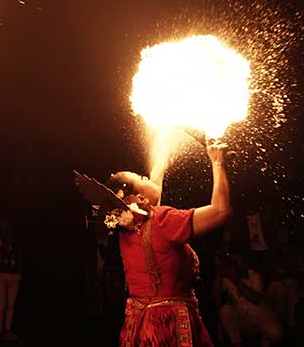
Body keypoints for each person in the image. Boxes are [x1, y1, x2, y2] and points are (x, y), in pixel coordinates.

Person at [100, 138, 233, 346]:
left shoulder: (126, 227)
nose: (148, 177)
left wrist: (163, 145)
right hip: (168, 327)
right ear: (139, 199)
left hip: (141, 327)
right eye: (142, 178)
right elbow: (221, 211)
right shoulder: (165, 221)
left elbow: (152, 198)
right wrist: (217, 162)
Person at [0, 215, 22, 341]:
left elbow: (19, 254)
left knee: (10, 304)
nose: (4, 224)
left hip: (13, 274)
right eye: (2, 222)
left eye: (6, 222)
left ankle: (7, 330)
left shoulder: (14, 237)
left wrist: (19, 273)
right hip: (0, 273)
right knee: (2, 303)